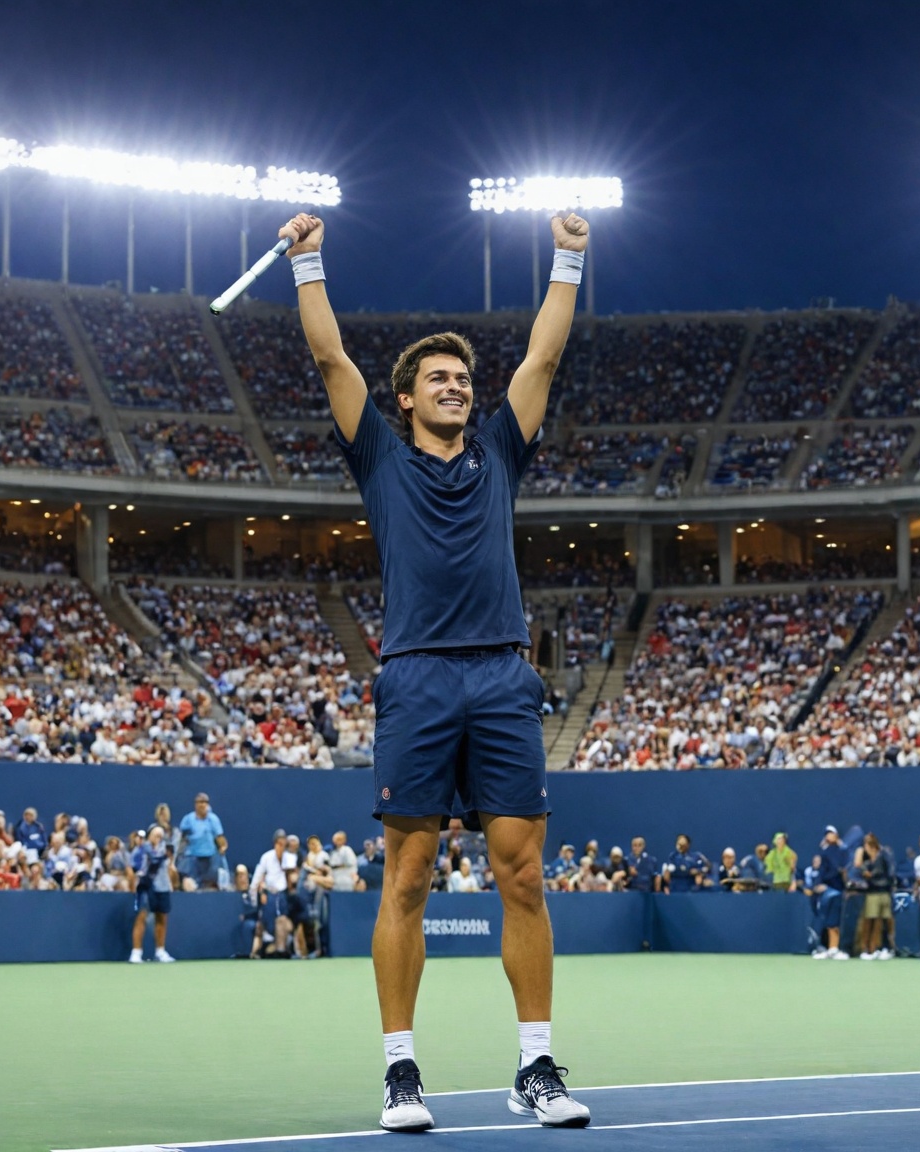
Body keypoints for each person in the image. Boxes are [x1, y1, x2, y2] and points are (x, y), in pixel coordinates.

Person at [286, 206, 590, 1130]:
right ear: (407, 399)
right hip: (416, 676)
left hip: (502, 676)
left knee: (523, 873)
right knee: (408, 878)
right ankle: (400, 1074)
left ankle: (535, 1069)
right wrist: (310, 265)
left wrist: (570, 257)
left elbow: (540, 360)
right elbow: (334, 361)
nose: (459, 387)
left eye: (464, 378)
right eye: (440, 379)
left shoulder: (500, 450)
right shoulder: (378, 455)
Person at [129, 826, 177, 963]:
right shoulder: (141, 849)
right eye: (156, 834)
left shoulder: (165, 850)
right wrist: (133, 883)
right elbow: (133, 867)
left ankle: (160, 951)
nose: (158, 837)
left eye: (160, 835)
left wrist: (170, 883)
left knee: (162, 919)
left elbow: (169, 867)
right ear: (149, 835)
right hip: (146, 887)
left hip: (163, 887)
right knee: (141, 918)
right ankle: (136, 953)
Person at [250, 830, 295, 959]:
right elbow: (258, 877)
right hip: (270, 896)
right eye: (278, 843)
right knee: (266, 924)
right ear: (274, 844)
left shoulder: (290, 858)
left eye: (283, 843)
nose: (281, 846)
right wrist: (255, 895)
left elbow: (291, 878)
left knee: (283, 921)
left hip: (284, 896)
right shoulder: (267, 857)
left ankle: (281, 950)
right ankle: (262, 951)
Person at [854, 834, 894, 959]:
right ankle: (868, 949)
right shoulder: (866, 860)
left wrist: (873, 876)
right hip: (872, 893)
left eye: (866, 845)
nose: (864, 848)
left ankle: (884, 948)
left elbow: (889, 872)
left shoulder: (883, 856)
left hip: (884, 892)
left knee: (883, 922)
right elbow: (859, 866)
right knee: (870, 921)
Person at [177, 792, 227, 891]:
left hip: (210, 857)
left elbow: (220, 838)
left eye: (205, 802)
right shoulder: (188, 819)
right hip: (193, 858)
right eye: (200, 802)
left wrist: (223, 847)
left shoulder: (214, 819)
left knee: (212, 885)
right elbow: (182, 839)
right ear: (195, 804)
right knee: (192, 886)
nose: (203, 805)